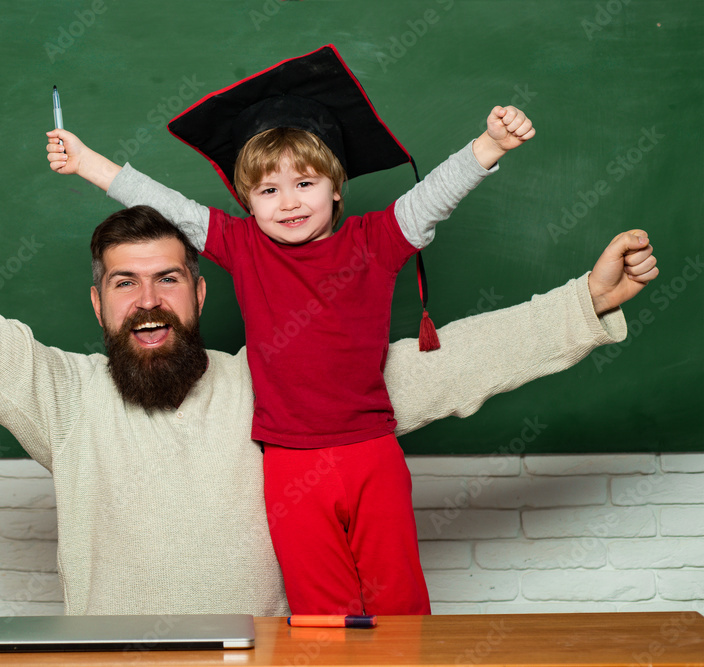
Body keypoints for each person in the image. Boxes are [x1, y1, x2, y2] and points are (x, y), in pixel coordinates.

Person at [0, 137, 656, 616]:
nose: (148, 299)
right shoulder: (64, 396)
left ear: (202, 290)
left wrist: (585, 300)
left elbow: (452, 364)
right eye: (124, 282)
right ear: (98, 306)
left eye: (168, 277)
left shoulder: (279, 384)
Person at [45, 45, 537, 615]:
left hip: (371, 454)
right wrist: (88, 164)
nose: (288, 203)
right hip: (288, 464)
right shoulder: (243, 246)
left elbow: (433, 198)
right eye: (268, 191)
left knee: (398, 601)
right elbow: (167, 204)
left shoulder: (377, 241)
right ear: (247, 201)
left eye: (305, 183)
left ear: (336, 186)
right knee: (320, 613)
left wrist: (489, 147)